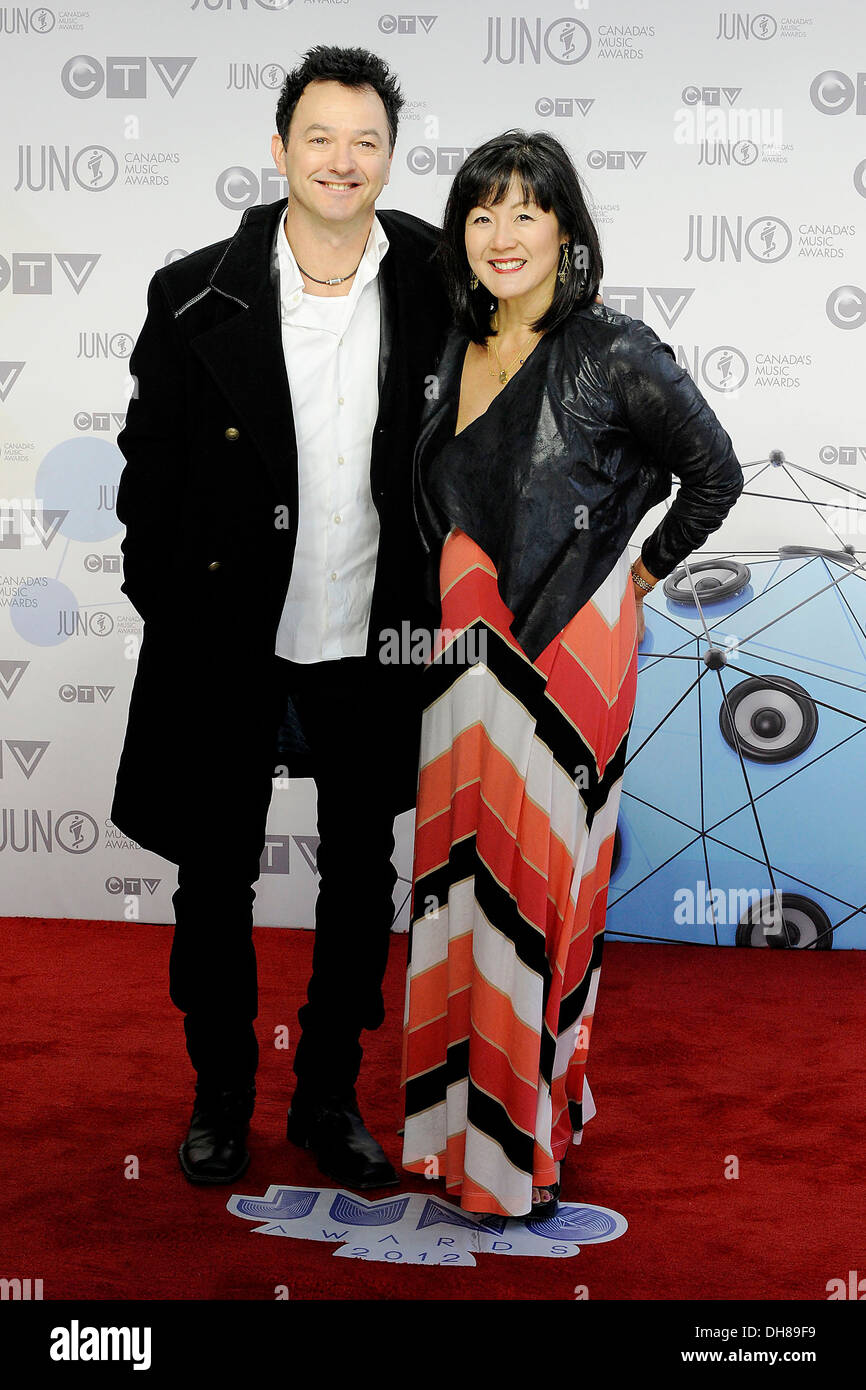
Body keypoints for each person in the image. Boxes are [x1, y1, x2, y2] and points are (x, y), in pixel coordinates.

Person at [110, 46, 451, 1188]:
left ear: (388, 158)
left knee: (363, 874)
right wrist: (166, 593)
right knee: (215, 875)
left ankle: (326, 1096)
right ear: (279, 150)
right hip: (227, 633)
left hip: (377, 628)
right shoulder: (194, 286)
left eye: (365, 141)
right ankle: (220, 1095)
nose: (342, 161)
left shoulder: (439, 278)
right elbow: (147, 463)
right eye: (320, 137)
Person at [400, 130, 745, 1221]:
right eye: (481, 214)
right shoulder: (452, 345)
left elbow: (714, 473)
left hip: (565, 658)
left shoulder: (613, 347)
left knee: (537, 898)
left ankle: (521, 1149)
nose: (503, 237)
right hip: (464, 655)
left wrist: (634, 576)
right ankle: (457, 1135)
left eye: (526, 213)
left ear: (565, 230)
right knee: (464, 892)